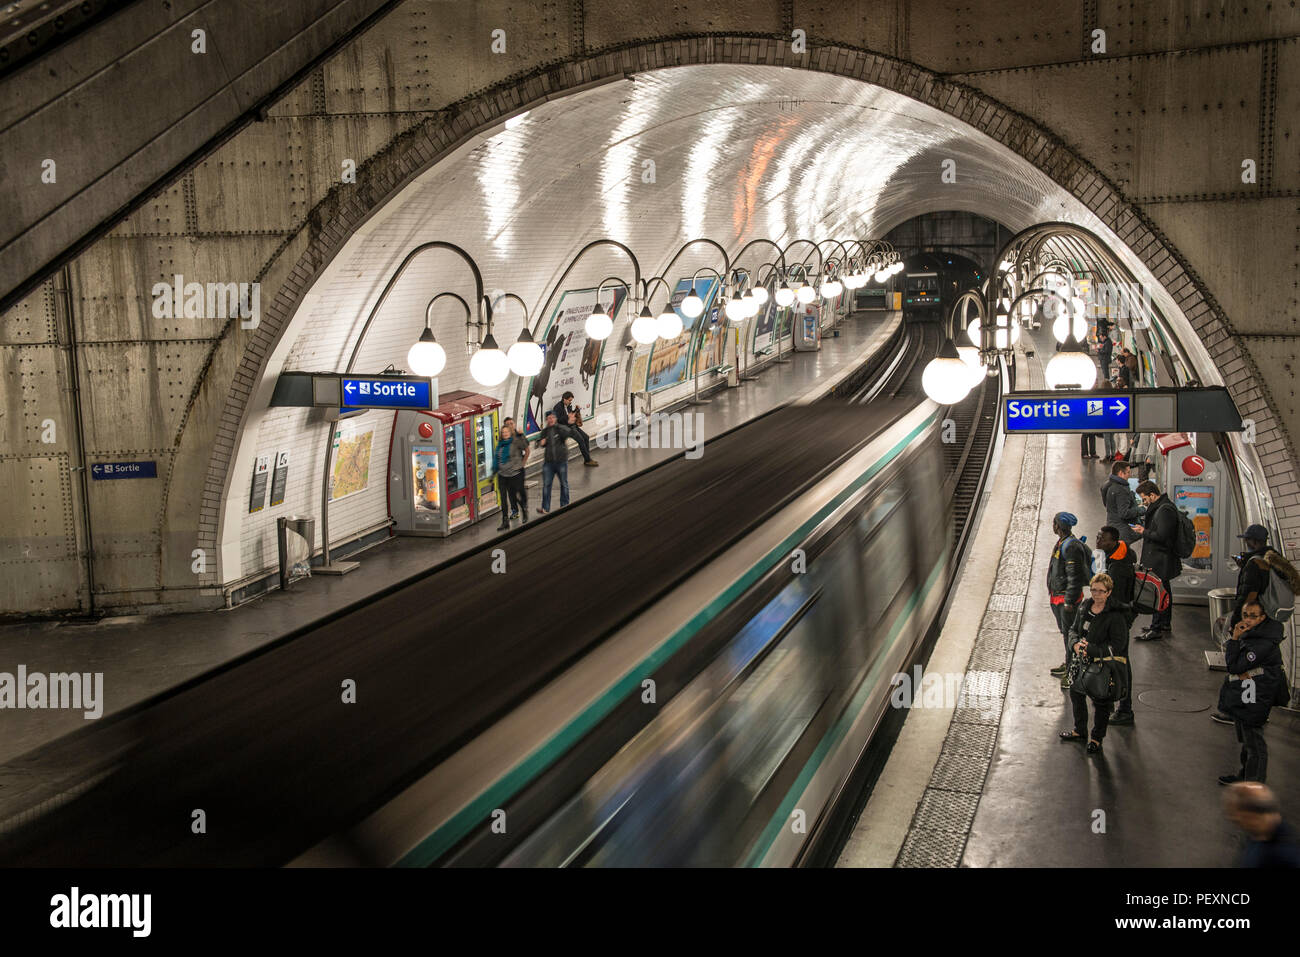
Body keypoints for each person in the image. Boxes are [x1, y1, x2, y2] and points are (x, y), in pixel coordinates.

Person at [1059, 573, 1131, 754]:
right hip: (1080, 661)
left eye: (1101, 591)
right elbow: (1073, 629)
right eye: (1093, 590)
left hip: (1101, 666)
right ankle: (1079, 730)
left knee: (1100, 702)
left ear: (1109, 592)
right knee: (1076, 695)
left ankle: (1097, 738)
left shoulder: (1115, 616)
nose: (1096, 594)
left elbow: (1118, 646)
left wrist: (1091, 649)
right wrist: (1074, 644)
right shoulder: (1085, 606)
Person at [1217, 601, 1285, 784]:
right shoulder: (1255, 634)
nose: (1247, 619)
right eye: (1245, 614)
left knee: (1254, 741)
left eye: (1253, 616)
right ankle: (1246, 776)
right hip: (1249, 692)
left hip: (1256, 694)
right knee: (1248, 739)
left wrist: (1234, 639)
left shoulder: (1262, 642)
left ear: (1263, 618)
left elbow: (1234, 666)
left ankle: (1255, 785)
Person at [1097, 525, 1138, 724]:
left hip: (1118, 622)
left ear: (1113, 542)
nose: (1098, 541)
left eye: (1102, 539)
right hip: (1118, 619)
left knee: (1119, 664)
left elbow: (1116, 600)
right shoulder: (1116, 556)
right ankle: (1115, 701)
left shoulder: (1119, 567)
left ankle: (1125, 709)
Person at [1130, 480, 1180, 640]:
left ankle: (1156, 627)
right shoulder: (1162, 507)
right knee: (1164, 590)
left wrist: (1144, 531)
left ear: (1153, 495)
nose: (1144, 503)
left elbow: (1162, 536)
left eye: (1145, 499)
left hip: (1161, 559)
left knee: (1158, 592)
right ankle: (1164, 623)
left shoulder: (1164, 510)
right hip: (1161, 558)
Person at [1047, 511, 1091, 687]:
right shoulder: (1063, 542)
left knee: (1071, 635)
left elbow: (1075, 577)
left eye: (1054, 522)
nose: (1053, 525)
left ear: (1058, 526)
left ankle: (1073, 671)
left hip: (1066, 599)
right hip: (1058, 596)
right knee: (1066, 633)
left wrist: (1069, 601)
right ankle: (1069, 662)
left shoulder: (1071, 547)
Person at [1225, 783, 1300, 868]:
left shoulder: (1285, 854)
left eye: (1239, 820)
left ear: (1252, 816)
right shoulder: (1258, 833)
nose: (1239, 825)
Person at [535, 411, 576, 513]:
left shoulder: (560, 428)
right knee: (546, 485)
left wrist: (571, 423)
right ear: (546, 420)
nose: (551, 419)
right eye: (549, 418)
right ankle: (545, 508)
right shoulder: (545, 431)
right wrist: (540, 443)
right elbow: (539, 442)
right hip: (548, 463)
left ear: (556, 418)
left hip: (561, 461)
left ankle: (565, 505)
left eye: (553, 417)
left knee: (564, 483)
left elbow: (568, 433)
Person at [493, 422, 529, 530]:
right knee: (503, 499)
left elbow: (525, 447)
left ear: (510, 432)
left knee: (514, 496)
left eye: (506, 432)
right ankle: (505, 521)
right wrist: (493, 472)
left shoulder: (515, 441)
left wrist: (521, 435)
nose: (504, 434)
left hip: (514, 474)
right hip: (502, 475)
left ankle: (523, 509)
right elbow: (497, 459)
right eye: (503, 432)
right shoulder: (500, 444)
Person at [1101, 460, 1142, 544]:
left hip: (1112, 525)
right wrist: (1141, 509)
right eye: (1128, 472)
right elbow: (1124, 513)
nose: (1130, 475)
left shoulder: (1106, 485)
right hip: (1123, 530)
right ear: (1120, 473)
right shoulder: (1121, 490)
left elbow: (1108, 505)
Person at [553, 391, 598, 467]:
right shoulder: (558, 407)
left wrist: (576, 410)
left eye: (571, 400)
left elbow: (571, 414)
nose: (570, 402)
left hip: (573, 426)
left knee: (586, 437)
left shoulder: (568, 406)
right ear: (564, 399)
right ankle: (588, 460)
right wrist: (568, 417)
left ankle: (587, 458)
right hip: (567, 428)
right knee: (581, 440)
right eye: (569, 400)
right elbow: (558, 420)